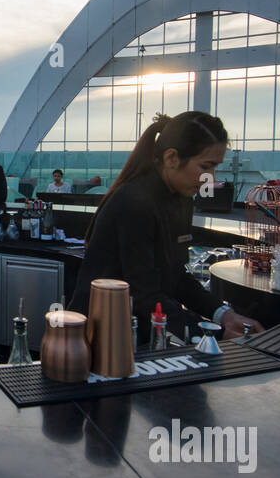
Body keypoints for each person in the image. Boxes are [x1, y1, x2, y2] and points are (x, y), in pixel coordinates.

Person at [69, 111, 264, 341]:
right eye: (206, 166)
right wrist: (212, 334)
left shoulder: (181, 200)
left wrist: (224, 315)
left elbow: (176, 276)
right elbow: (142, 293)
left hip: (139, 331)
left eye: (215, 168)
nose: (210, 179)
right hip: (102, 336)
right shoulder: (134, 201)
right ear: (172, 158)